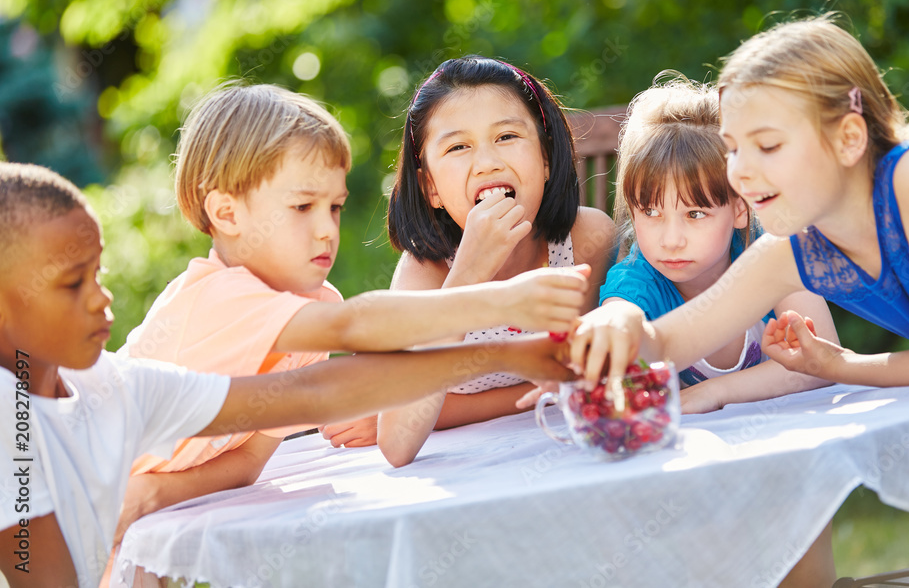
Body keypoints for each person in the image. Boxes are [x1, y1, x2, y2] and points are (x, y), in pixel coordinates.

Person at [570, 14, 909, 586]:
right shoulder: (792, 249)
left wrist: (843, 365)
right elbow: (668, 341)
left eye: (767, 145)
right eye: (732, 149)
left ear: (849, 139)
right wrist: (617, 323)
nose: (742, 174)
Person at [0, 162, 574, 588]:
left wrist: (510, 356)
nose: (102, 299)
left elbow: (315, 392)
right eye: (72, 283)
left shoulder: (117, 386)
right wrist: (490, 301)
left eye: (98, 273)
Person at [111, 84, 589, 564]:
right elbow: (353, 327)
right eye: (303, 207)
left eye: (334, 207)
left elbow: (250, 462)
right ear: (227, 213)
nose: (326, 229)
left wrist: (149, 495)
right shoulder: (221, 297)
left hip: (117, 513)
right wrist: (495, 299)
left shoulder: (310, 302)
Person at [378, 56, 617, 467]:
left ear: (544, 159)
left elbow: (609, 371)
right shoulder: (427, 273)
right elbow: (397, 441)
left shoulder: (588, 240)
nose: (487, 162)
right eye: (458, 146)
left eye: (506, 136)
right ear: (430, 187)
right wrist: (467, 275)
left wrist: (445, 409)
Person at [599, 75, 835, 415]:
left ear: (740, 208)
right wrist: (611, 324)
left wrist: (716, 392)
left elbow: (822, 358)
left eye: (695, 214)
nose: (671, 240)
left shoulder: (774, 256)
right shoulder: (635, 282)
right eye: (651, 211)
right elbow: (620, 320)